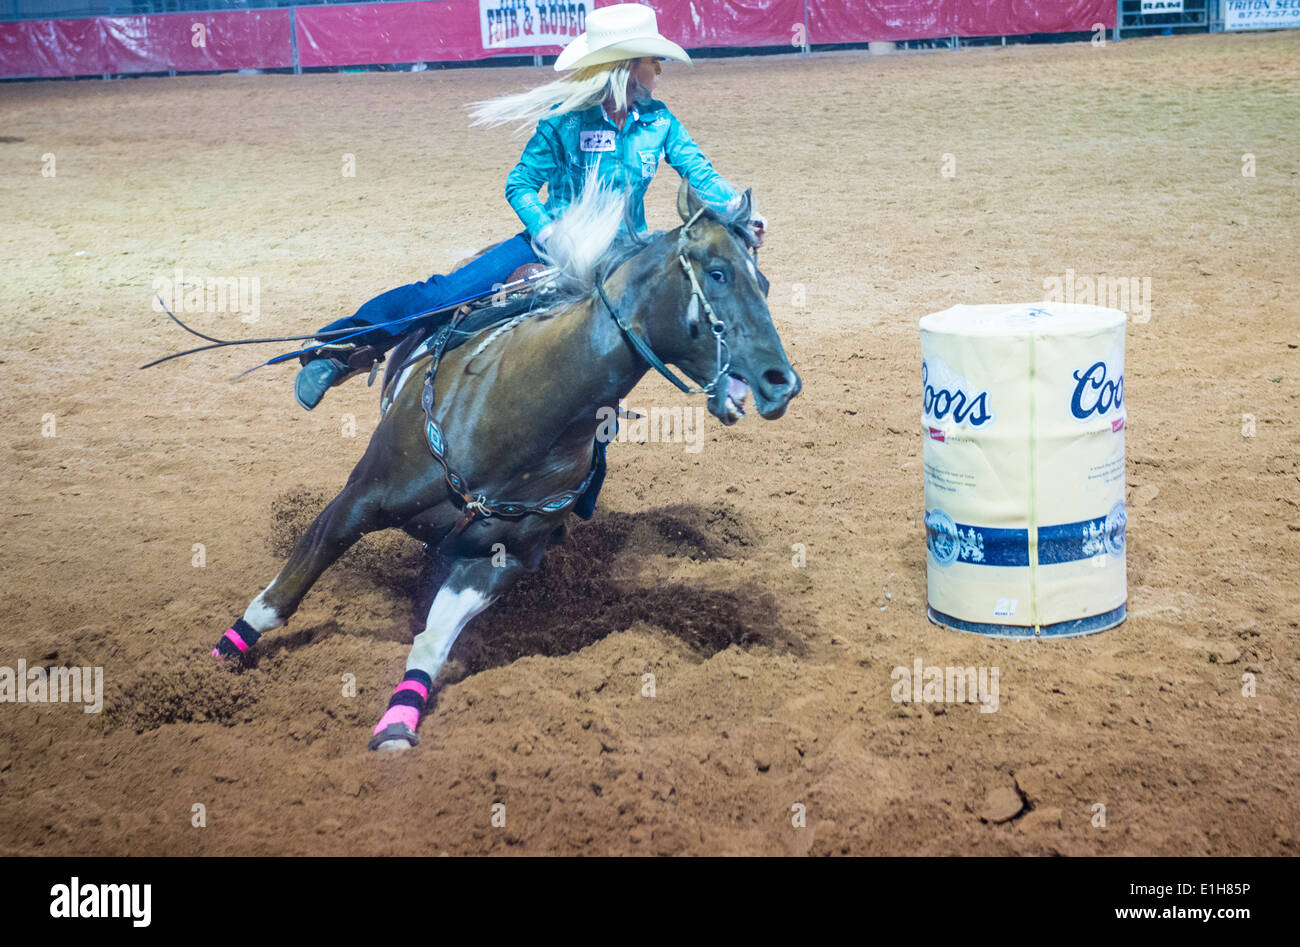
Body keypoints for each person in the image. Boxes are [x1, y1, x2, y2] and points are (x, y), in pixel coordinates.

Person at [293, 2, 765, 412]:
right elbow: (519, 185)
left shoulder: (660, 122)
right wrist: (548, 233)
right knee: (446, 294)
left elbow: (699, 172)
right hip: (549, 247)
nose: (660, 72)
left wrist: (740, 210)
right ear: (626, 66)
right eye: (653, 62)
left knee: (692, 302)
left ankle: (726, 378)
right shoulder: (564, 120)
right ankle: (339, 349)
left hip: (622, 255)